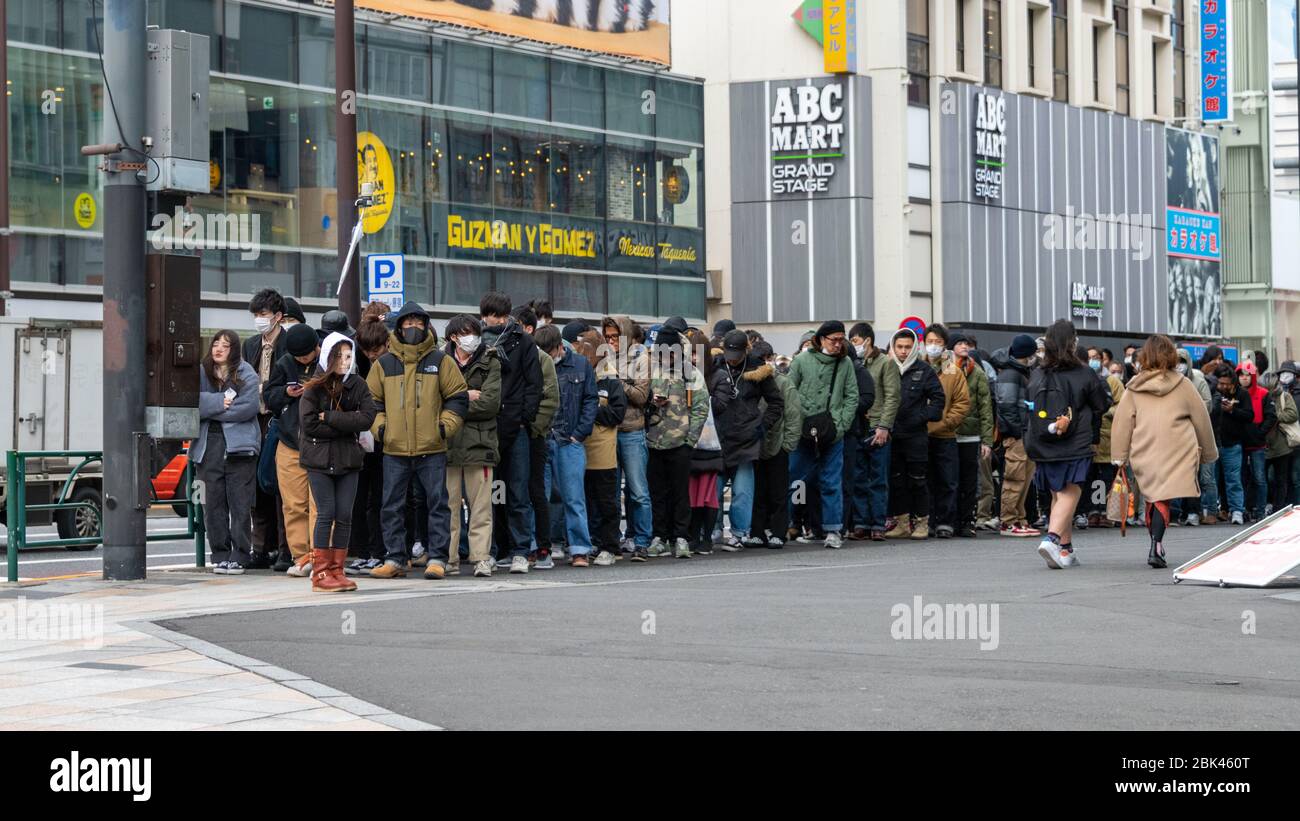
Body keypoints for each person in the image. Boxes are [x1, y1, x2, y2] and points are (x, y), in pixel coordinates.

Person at [367, 302, 469, 579]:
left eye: (418, 323)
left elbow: (458, 398)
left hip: (432, 447)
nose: (413, 328)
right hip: (394, 448)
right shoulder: (384, 364)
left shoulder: (440, 361)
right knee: (391, 505)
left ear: (426, 326)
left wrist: (444, 428)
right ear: (399, 326)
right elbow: (371, 403)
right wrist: (382, 430)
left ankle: (438, 558)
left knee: (437, 503)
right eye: (408, 323)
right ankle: (395, 558)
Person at [1110, 335, 1218, 568]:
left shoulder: (1134, 387)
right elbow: (1202, 420)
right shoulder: (1184, 384)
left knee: (1153, 496)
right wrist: (1209, 453)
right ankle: (1156, 545)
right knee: (1163, 497)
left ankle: (1155, 543)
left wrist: (1119, 456)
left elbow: (1122, 423)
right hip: (1178, 449)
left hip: (1144, 450)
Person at [1024, 320, 1110, 569]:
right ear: (1072, 342)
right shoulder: (1084, 373)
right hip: (1076, 440)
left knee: (1056, 494)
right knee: (1070, 492)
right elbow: (1101, 404)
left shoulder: (1038, 373)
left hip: (1043, 440)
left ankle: (1065, 549)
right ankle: (1051, 539)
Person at [298, 333, 377, 592]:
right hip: (319, 459)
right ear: (327, 357)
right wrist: (346, 425)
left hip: (348, 460)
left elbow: (366, 418)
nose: (345, 360)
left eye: (348, 355)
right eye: (339, 356)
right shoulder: (313, 387)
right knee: (327, 513)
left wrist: (329, 417)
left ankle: (337, 570)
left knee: (344, 515)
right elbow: (309, 425)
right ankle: (320, 574)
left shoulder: (358, 384)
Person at [480, 292, 542, 571]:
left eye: (495, 315)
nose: (490, 320)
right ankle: (491, 550)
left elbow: (534, 384)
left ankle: (520, 549)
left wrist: (523, 418)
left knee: (517, 492)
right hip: (485, 427)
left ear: (505, 317)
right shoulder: (478, 342)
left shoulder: (524, 341)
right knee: (491, 494)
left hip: (514, 427)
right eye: (487, 314)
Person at [786, 321, 859, 548]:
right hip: (803, 431)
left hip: (832, 432)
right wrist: (800, 417)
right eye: (833, 339)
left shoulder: (845, 363)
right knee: (794, 478)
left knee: (831, 481)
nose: (838, 344)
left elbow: (852, 396)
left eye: (841, 339)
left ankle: (833, 529)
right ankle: (784, 524)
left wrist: (841, 424)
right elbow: (789, 391)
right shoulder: (801, 360)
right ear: (821, 339)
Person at [710, 330, 785, 551]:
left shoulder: (758, 369)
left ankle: (739, 533)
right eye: (728, 352)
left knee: (742, 491)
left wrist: (761, 426)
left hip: (746, 437)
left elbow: (776, 403)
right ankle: (712, 528)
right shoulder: (715, 365)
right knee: (714, 489)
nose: (732, 357)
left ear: (746, 350)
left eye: (736, 353)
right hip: (718, 436)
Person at [194, 331, 261, 575]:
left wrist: (209, 409)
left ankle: (241, 554)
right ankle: (220, 554)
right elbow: (191, 402)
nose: (219, 349)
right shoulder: (201, 371)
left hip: (240, 447)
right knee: (212, 504)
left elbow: (248, 407)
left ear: (234, 349)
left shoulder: (246, 373)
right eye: (215, 344)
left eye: (225, 345)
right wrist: (217, 403)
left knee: (240, 504)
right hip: (207, 445)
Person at [442, 314, 502, 578]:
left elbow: (490, 403)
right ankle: (449, 559)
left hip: (481, 442)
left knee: (481, 508)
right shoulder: (440, 361)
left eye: (475, 332)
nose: (472, 338)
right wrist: (466, 395)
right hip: (448, 443)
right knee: (448, 506)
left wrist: (454, 402)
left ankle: (481, 558)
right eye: (466, 333)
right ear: (453, 336)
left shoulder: (490, 360)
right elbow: (434, 401)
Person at [536, 324, 599, 567]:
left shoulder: (581, 364)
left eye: (548, 352)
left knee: (574, 497)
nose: (545, 357)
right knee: (541, 497)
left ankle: (580, 549)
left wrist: (579, 433)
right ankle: (540, 547)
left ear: (559, 347)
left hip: (569, 440)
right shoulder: (537, 364)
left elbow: (591, 399)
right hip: (543, 438)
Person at [645, 322, 710, 558]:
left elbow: (701, 408)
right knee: (657, 493)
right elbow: (639, 400)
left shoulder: (690, 372)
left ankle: (681, 537)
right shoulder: (649, 370)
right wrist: (652, 402)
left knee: (680, 492)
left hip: (680, 443)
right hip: (653, 442)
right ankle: (659, 536)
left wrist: (689, 440)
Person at [263, 323, 323, 576]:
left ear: (316, 347)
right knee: (293, 503)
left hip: (320, 442)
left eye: (306, 355)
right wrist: (287, 392)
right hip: (289, 441)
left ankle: (320, 556)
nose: (301, 360)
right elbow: (269, 396)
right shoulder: (285, 363)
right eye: (297, 356)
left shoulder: (329, 362)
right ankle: (301, 556)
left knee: (319, 504)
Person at [243, 288, 289, 570]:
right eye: (256, 315)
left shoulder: (289, 342)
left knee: (283, 486)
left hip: (280, 420)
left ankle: (287, 550)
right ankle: (260, 548)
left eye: (263, 314)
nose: (259, 320)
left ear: (278, 316)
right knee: (257, 487)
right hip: (254, 421)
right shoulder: (250, 345)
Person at [884, 328, 945, 539]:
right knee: (896, 480)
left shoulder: (924, 370)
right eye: (899, 346)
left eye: (907, 347)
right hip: (892, 434)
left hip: (916, 435)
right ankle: (902, 522)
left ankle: (922, 522)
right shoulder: (887, 366)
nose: (903, 351)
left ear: (914, 348)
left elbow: (938, 401)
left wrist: (921, 416)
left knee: (918, 480)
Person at [602, 315, 653, 556]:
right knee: (610, 492)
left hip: (632, 431)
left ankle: (642, 539)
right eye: (607, 336)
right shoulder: (605, 357)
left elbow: (641, 396)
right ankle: (614, 540)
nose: (611, 341)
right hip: (609, 431)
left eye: (615, 336)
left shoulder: (641, 357)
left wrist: (617, 382)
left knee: (638, 491)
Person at [345, 315, 392, 576]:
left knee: (381, 498)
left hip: (384, 437)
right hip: (360, 438)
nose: (372, 356)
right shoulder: (354, 361)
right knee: (359, 498)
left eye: (377, 350)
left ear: (386, 343)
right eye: (367, 351)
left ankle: (380, 551)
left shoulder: (392, 361)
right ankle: (363, 552)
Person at [577, 329, 627, 566]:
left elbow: (617, 414)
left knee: (607, 501)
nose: (586, 356)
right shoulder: (576, 375)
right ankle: (593, 542)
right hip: (579, 447)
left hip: (604, 449)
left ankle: (610, 545)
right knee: (585, 500)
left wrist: (590, 409)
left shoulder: (611, 379)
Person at [514, 306, 560, 567]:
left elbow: (550, 399)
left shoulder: (540, 357)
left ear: (528, 328)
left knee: (536, 491)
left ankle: (543, 547)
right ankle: (518, 544)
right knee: (513, 492)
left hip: (534, 435)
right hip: (513, 433)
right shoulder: (508, 352)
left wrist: (532, 428)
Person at [848, 323, 899, 541]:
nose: (853, 346)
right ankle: (861, 522)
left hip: (878, 427)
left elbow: (893, 396)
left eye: (855, 341)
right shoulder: (852, 364)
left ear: (867, 340)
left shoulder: (886, 363)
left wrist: (884, 426)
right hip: (859, 426)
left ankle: (878, 523)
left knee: (878, 478)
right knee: (858, 477)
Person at [922, 324, 972, 539]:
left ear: (945, 345)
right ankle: (927, 521)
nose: (933, 346)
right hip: (919, 435)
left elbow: (962, 403)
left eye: (938, 342)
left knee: (947, 481)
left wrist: (947, 423)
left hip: (945, 434)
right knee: (924, 480)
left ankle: (945, 522)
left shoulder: (953, 371)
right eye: (930, 341)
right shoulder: (917, 366)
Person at [750, 340, 803, 547]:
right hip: (755, 445)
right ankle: (757, 531)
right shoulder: (750, 380)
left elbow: (793, 415)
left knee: (778, 491)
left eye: (765, 360)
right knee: (758, 490)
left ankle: (778, 532)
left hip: (778, 443)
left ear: (771, 358)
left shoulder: (783, 383)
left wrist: (788, 444)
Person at [991, 335, 1039, 536]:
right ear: (1027, 353)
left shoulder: (1021, 372)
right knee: (1014, 479)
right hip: (1018, 435)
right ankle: (1008, 521)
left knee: (1024, 480)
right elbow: (1007, 407)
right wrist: (1019, 431)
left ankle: (1020, 518)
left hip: (1025, 434)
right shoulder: (1011, 375)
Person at [950, 331, 992, 538]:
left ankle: (967, 521)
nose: (964, 347)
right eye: (959, 343)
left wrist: (987, 440)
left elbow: (986, 408)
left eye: (966, 343)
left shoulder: (977, 373)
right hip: (946, 434)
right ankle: (948, 521)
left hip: (970, 435)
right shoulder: (943, 369)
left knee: (969, 481)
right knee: (949, 480)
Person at [1176, 347, 1216, 526]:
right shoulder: (1168, 379)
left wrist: (1191, 415)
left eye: (1182, 362)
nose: (1179, 366)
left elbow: (1207, 403)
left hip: (1195, 432)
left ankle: (1194, 510)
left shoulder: (1198, 379)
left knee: (1196, 474)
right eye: (1176, 361)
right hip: (1175, 433)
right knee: (1177, 473)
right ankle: (1177, 512)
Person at [1214, 363, 1256, 525]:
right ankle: (1212, 510)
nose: (1223, 386)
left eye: (1226, 383)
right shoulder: (1213, 393)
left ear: (1233, 383)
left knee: (1233, 479)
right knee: (1212, 480)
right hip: (1214, 443)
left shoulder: (1242, 394)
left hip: (1233, 443)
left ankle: (1237, 510)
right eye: (1220, 383)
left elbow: (1249, 415)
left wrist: (1232, 410)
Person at [1235, 360, 1275, 521]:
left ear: (1252, 376)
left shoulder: (1264, 393)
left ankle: (1259, 511)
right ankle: (1243, 509)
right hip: (1239, 443)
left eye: (1247, 375)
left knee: (1259, 478)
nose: (1244, 378)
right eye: (1241, 375)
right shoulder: (1234, 394)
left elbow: (1272, 416)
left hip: (1257, 443)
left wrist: (1260, 433)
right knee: (1241, 478)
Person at [1263, 369, 1297, 515]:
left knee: (1280, 478)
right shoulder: (1261, 396)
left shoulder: (1285, 396)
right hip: (1263, 444)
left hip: (1282, 444)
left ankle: (1279, 507)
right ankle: (1265, 504)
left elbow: (1292, 414)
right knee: (1263, 478)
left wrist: (1275, 415)